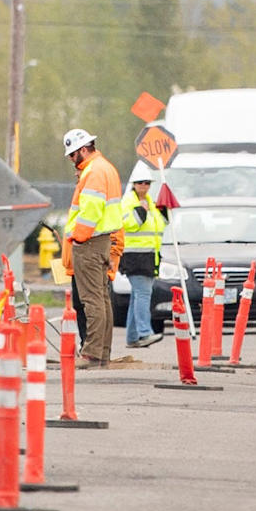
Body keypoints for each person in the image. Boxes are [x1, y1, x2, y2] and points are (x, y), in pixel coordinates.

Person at [58, 126, 127, 362]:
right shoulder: (105, 168)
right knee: (102, 300)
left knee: (91, 301)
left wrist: (78, 236)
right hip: (102, 241)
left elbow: (91, 210)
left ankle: (91, 353)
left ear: (83, 149)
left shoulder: (94, 172)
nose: (70, 159)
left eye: (72, 154)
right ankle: (102, 353)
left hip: (90, 243)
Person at [116, 165, 173, 348]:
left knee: (137, 296)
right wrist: (141, 211)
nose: (144, 186)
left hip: (149, 257)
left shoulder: (150, 202)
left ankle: (133, 337)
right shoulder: (127, 203)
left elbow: (159, 227)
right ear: (134, 184)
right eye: (140, 183)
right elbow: (128, 225)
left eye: (147, 183)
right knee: (143, 294)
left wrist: (164, 213)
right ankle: (144, 332)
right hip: (133, 257)